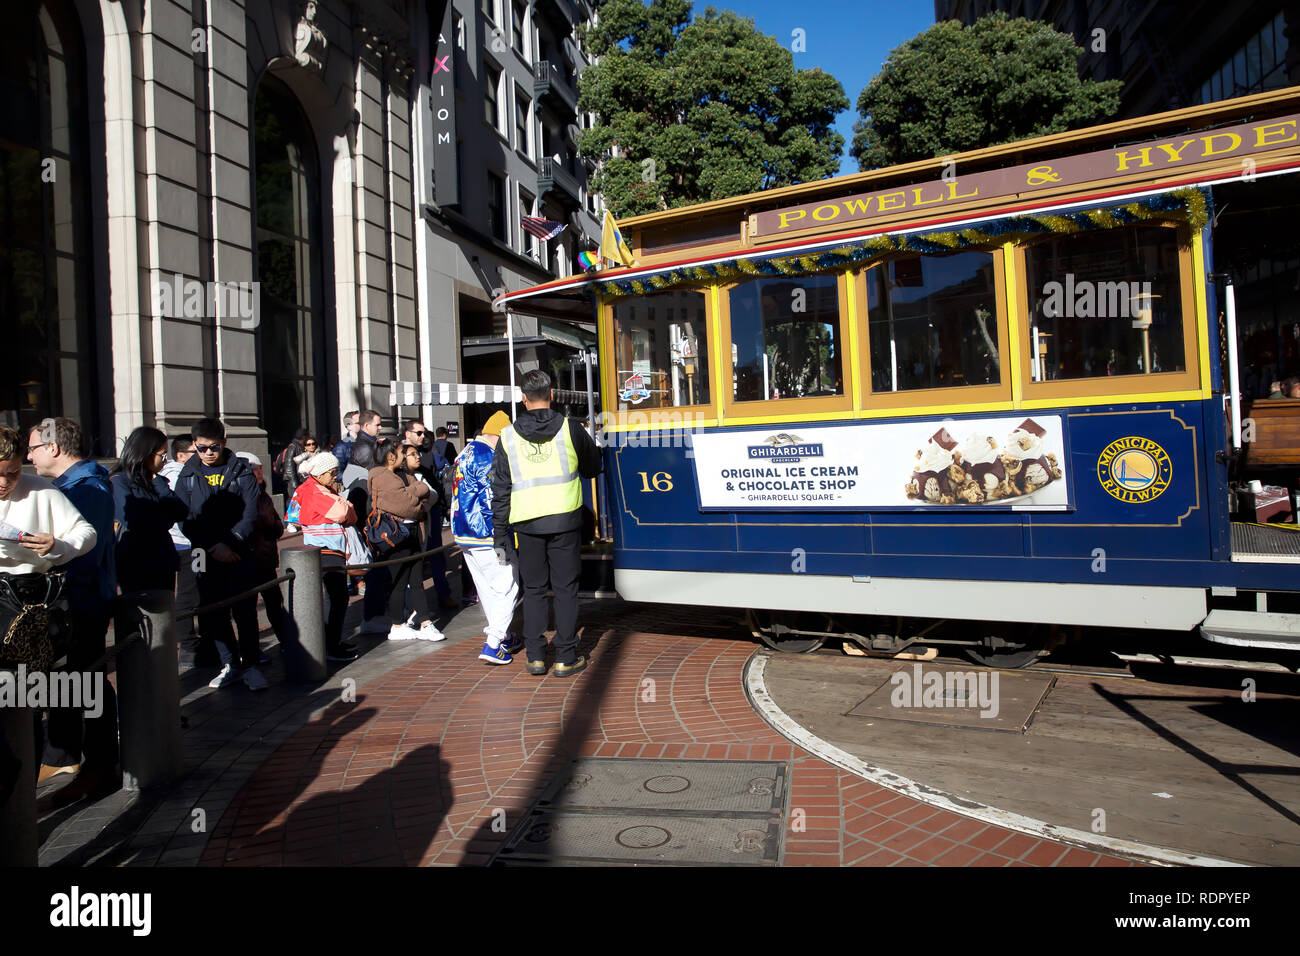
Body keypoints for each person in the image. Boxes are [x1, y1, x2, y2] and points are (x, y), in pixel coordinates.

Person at [0, 426, 98, 807]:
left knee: (23, 700)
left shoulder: (40, 489)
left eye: (11, 472)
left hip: (27, 601)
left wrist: (59, 545)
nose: (6, 482)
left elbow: (85, 532)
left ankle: (20, 801)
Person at [25, 417, 119, 801]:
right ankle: (65, 754)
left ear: (53, 448)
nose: (29, 456)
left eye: (32, 448)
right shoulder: (71, 485)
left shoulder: (86, 489)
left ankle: (97, 764)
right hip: (72, 602)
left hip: (80, 603)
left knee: (87, 680)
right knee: (70, 682)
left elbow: (86, 553)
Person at [492, 370, 602, 677]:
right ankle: (566, 656)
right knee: (566, 589)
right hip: (565, 519)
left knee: (535, 589)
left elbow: (500, 490)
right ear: (551, 395)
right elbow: (594, 467)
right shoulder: (571, 428)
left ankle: (537, 657)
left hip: (526, 524)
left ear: (523, 399)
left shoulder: (508, 437)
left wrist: (499, 535)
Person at [174, 418, 267, 691]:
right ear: (194, 446)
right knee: (212, 611)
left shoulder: (241, 470)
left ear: (224, 443)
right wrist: (214, 546)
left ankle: (250, 664)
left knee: (245, 610)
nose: (208, 453)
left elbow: (251, 512)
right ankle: (229, 663)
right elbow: (185, 518)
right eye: (202, 448)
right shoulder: (188, 475)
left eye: (214, 447)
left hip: (239, 551)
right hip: (204, 552)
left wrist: (230, 542)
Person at [452, 411, 523, 665]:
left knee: (487, 587)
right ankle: (493, 643)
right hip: (485, 533)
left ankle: (503, 636)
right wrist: (501, 530)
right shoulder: (488, 457)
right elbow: (492, 498)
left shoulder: (466, 452)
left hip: (463, 531)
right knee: (507, 585)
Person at [368, 437, 443, 641]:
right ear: (391, 456)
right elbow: (406, 504)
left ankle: (425, 623)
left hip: (413, 532)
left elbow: (425, 490)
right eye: (402, 452)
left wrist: (414, 493)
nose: (405, 456)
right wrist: (415, 495)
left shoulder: (403, 474)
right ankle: (398, 624)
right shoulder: (381, 476)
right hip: (395, 535)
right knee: (400, 581)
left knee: (417, 579)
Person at [292, 451, 360, 662]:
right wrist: (346, 505)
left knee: (335, 598)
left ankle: (333, 641)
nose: (335, 477)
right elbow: (344, 514)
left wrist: (345, 506)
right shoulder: (314, 492)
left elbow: (348, 513)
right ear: (320, 473)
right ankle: (330, 645)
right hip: (326, 550)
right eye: (332, 473)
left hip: (327, 549)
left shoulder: (317, 488)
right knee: (336, 598)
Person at [160, 436, 216, 668]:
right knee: (189, 593)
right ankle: (189, 647)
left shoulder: (187, 473)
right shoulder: (176, 475)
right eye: (197, 451)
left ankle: (201, 645)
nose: (203, 454)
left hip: (191, 543)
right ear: (181, 455)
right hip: (187, 545)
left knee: (199, 590)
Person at [110, 427, 188, 592]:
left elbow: (180, 511)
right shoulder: (119, 481)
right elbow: (136, 521)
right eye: (162, 455)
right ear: (146, 453)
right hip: (136, 561)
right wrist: (164, 518)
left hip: (162, 558)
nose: (165, 461)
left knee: (165, 611)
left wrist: (157, 482)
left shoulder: (156, 480)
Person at [237, 452, 289, 654]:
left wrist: (272, 524)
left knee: (274, 603)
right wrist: (267, 523)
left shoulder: (263, 494)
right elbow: (255, 523)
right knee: (247, 608)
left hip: (266, 558)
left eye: (260, 469)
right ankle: (250, 651)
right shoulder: (244, 494)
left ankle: (286, 641)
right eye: (255, 470)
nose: (259, 473)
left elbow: (275, 524)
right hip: (250, 558)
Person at [404, 419, 457, 610]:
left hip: (432, 509)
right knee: (413, 558)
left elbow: (435, 481)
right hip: (411, 513)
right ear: (407, 434)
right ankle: (411, 604)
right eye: (418, 433)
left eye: (424, 433)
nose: (423, 436)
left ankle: (443, 593)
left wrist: (440, 504)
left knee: (436, 553)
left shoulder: (427, 453)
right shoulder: (399, 456)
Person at [279, 428, 313, 531]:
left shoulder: (298, 447)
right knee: (293, 501)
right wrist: (294, 483)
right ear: (303, 437)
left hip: (297, 479)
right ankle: (291, 523)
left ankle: (297, 522)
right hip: (293, 480)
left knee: (298, 501)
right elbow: (289, 466)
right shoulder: (293, 447)